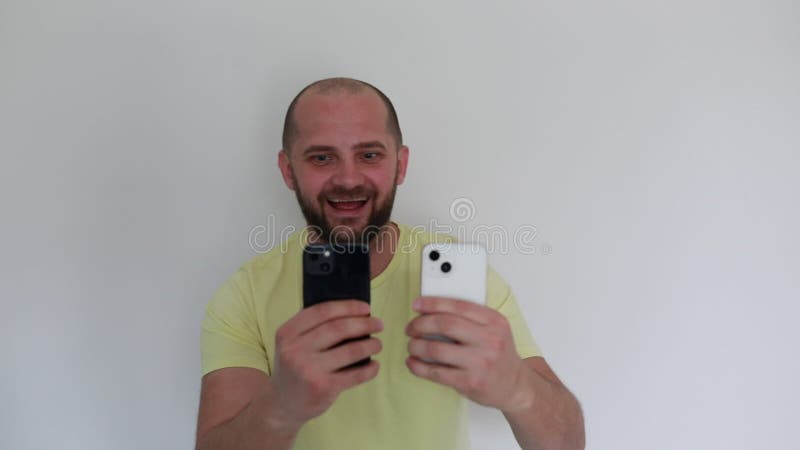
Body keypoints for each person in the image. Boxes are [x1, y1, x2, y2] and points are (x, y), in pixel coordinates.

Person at [195, 77, 585, 450]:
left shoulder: (463, 277)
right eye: (321, 157)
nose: (348, 179)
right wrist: (281, 406)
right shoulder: (245, 295)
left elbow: (568, 443)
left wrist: (517, 388)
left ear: (401, 165)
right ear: (287, 170)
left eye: (369, 155)